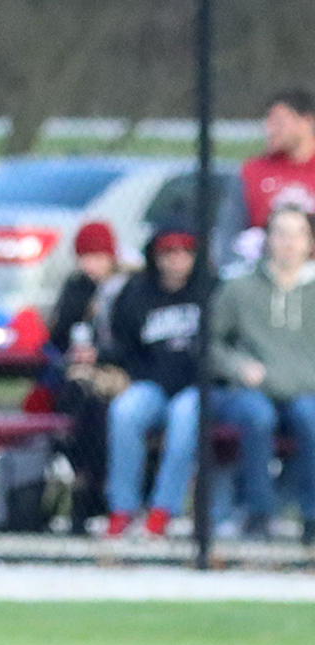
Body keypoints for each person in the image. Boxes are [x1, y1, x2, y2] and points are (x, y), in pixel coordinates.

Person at [208, 206, 315, 544]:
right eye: (280, 233)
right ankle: (259, 514)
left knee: (310, 418)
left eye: (297, 234)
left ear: (309, 242)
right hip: (250, 391)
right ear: (267, 239)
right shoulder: (238, 288)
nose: (288, 242)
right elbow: (210, 344)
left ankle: (309, 517)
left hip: (304, 391)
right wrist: (238, 366)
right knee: (258, 417)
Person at [100, 224, 214, 538]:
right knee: (125, 412)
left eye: (185, 252)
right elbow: (122, 344)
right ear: (156, 255)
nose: (177, 259)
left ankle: (163, 508)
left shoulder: (210, 289)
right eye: (169, 252)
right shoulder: (137, 291)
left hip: (195, 387)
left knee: (186, 416)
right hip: (151, 384)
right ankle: (122, 507)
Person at [43, 220, 128, 533]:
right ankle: (83, 485)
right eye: (85, 256)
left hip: (114, 372)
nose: (90, 263)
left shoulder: (125, 286)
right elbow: (57, 337)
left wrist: (100, 356)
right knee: (75, 399)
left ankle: (88, 489)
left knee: (96, 407)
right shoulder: (75, 288)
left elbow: (131, 342)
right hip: (77, 374)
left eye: (97, 256)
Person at [239, 88, 315, 231]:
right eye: (269, 122)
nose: (271, 131)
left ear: (307, 122)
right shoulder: (253, 171)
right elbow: (228, 235)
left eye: (279, 123)